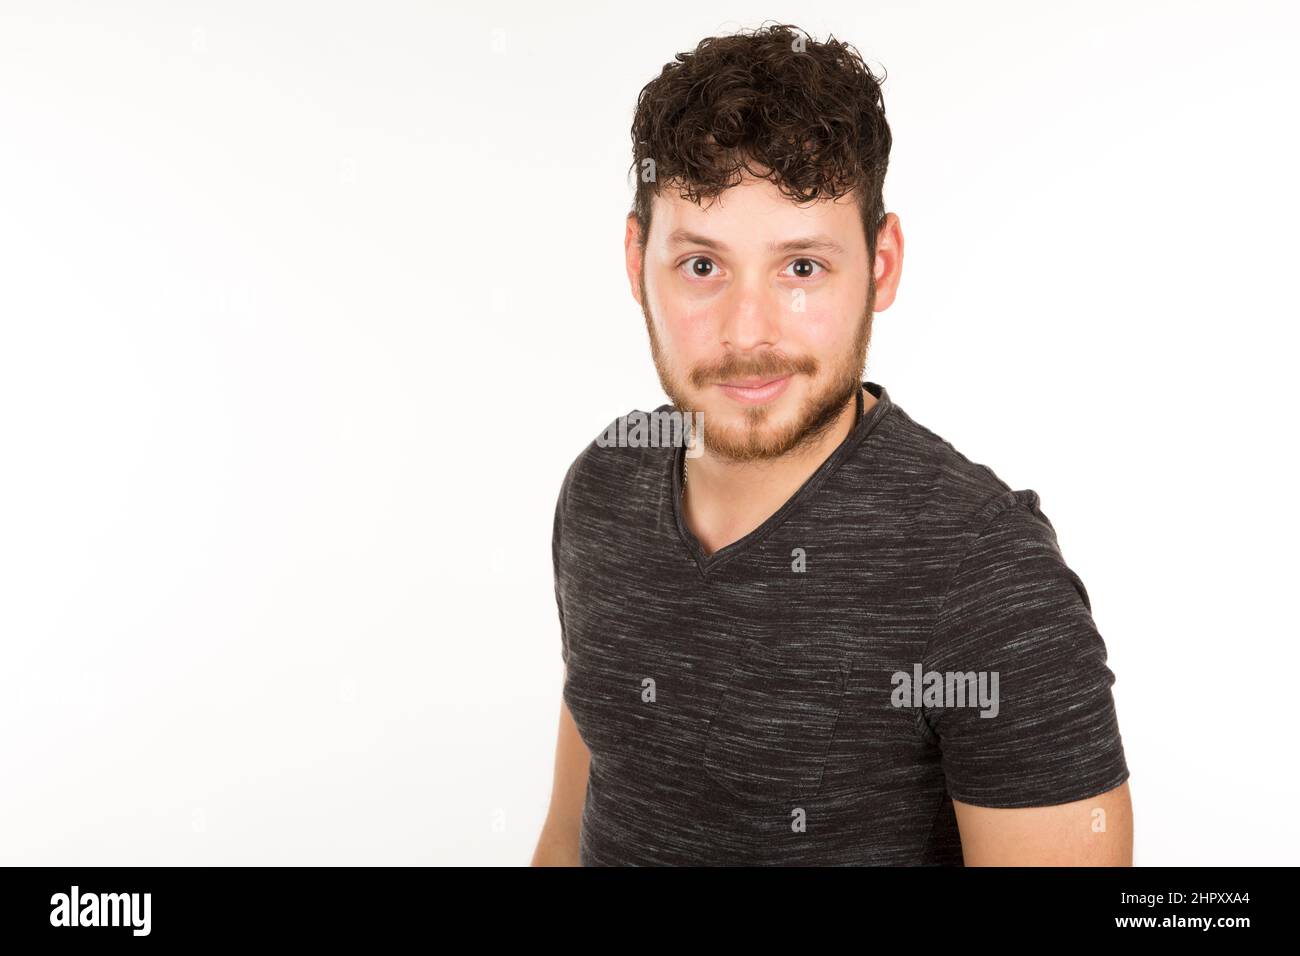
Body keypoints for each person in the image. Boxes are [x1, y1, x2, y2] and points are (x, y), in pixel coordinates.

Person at [532, 22, 1131, 866]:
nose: (749, 332)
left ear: (880, 266)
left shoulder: (986, 576)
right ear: (638, 263)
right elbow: (566, 840)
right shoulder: (604, 487)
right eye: (702, 266)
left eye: (801, 268)